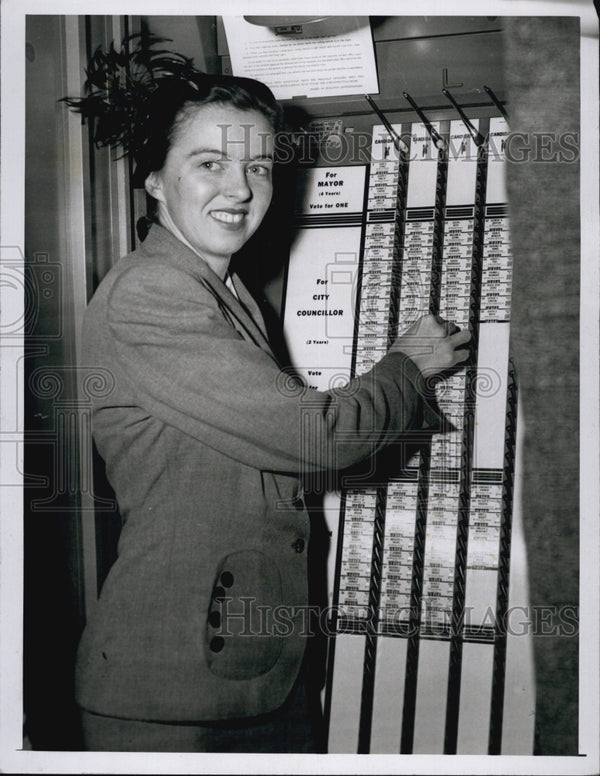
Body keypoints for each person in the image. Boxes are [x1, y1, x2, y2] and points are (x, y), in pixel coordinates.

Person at [75, 73, 471, 752]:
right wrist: (407, 367)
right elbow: (314, 437)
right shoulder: (153, 291)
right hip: (174, 689)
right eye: (210, 164)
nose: (240, 189)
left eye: (258, 167)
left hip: (247, 667)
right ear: (155, 180)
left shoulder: (226, 289)